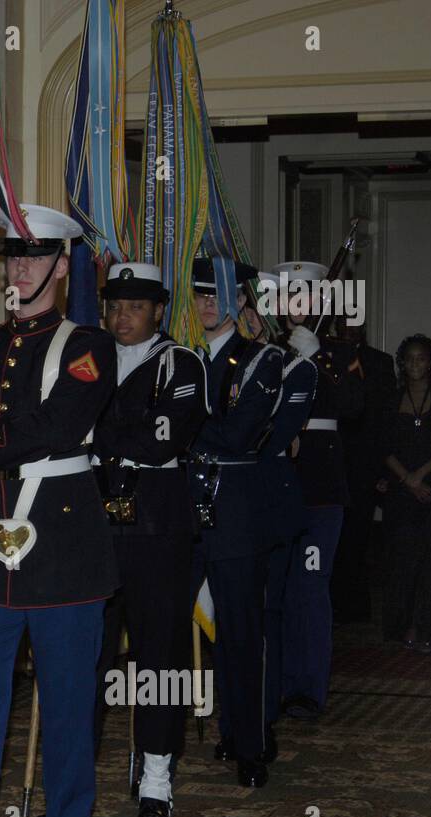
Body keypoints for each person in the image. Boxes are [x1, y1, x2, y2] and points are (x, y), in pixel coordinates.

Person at [0, 204, 117, 817]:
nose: (18, 266)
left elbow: (50, 429)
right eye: (12, 255)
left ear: (60, 264)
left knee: (68, 715)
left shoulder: (88, 345)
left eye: (31, 255)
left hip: (64, 554)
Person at [92, 262, 207, 817]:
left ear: (159, 310)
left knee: (159, 655)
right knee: (88, 653)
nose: (122, 316)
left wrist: (100, 437)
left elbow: (164, 442)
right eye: (115, 304)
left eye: (136, 306)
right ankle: (76, 779)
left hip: (158, 523)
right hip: (92, 522)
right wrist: (113, 437)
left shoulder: (181, 363)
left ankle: (157, 773)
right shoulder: (85, 359)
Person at [186, 256, 283, 788]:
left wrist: (179, 430)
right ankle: (205, 736)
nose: (207, 304)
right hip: (185, 506)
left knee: (242, 633)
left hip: (237, 511)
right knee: (185, 629)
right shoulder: (185, 358)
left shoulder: (261, 361)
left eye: (218, 295)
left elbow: (241, 434)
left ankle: (250, 744)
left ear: (241, 301)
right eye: (200, 295)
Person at [273, 261, 364, 719]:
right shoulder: (266, 346)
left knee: (309, 588)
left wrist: (316, 360)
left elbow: (354, 405)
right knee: (277, 589)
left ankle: (307, 689)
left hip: (320, 485)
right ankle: (276, 684)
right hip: (272, 483)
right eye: (289, 295)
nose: (296, 304)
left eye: (305, 295)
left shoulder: (339, 350)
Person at [247, 269, 313, 753]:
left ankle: (260, 721)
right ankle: (234, 720)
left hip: (270, 502)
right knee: (232, 619)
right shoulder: (224, 361)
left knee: (266, 614)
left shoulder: (298, 365)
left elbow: (272, 435)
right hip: (222, 503)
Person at [379, 335, 431, 653]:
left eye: (422, 358)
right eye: (410, 358)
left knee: (430, 564)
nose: (415, 364)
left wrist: (420, 476)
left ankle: (425, 629)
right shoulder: (391, 398)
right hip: (401, 492)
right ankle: (400, 628)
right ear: (403, 362)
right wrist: (406, 479)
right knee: (401, 562)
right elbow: (382, 447)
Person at [331, 317, 396, 625]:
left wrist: (384, 467)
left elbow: (385, 418)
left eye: (354, 323)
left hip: (366, 463)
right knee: (333, 533)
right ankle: (332, 601)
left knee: (359, 534)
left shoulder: (380, 363)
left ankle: (355, 606)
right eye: (343, 323)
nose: (348, 329)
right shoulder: (326, 355)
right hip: (332, 460)